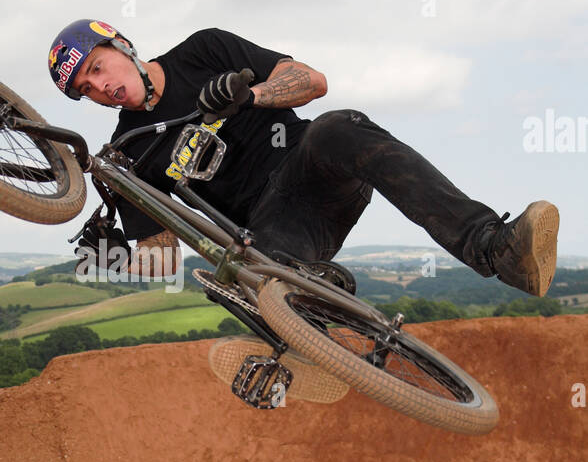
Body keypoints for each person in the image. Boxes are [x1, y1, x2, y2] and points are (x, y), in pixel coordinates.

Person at [47, 19, 559, 298]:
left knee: (339, 126)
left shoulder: (203, 51)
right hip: (272, 231)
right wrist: (111, 257)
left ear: (120, 43)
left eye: (97, 66)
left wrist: (250, 97)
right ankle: (320, 343)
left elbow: (312, 81)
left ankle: (496, 251)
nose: (100, 86)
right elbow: (162, 260)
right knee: (254, 280)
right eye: (85, 89)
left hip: (313, 169)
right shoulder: (130, 152)